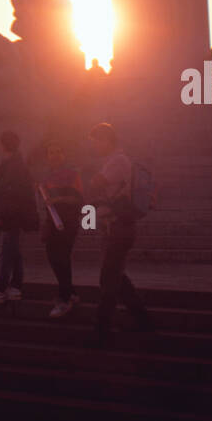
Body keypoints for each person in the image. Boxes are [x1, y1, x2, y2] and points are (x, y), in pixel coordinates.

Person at [87, 122, 154, 347]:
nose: (93, 147)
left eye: (95, 142)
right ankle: (143, 319)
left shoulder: (117, 160)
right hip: (116, 227)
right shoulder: (116, 160)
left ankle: (101, 329)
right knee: (117, 276)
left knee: (108, 278)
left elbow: (95, 184)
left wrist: (91, 181)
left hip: (119, 228)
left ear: (106, 140)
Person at [0, 131, 38, 304]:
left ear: (3, 145)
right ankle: (16, 287)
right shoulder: (17, 165)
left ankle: (0, 289)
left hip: (10, 216)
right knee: (15, 252)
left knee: (6, 252)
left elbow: (6, 194)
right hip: (16, 215)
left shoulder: (12, 166)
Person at [36, 140, 84, 318]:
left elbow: (79, 199)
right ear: (47, 157)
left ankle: (64, 299)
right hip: (53, 222)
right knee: (52, 256)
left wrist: (58, 200)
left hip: (68, 223)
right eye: (51, 152)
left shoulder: (73, 174)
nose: (54, 155)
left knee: (62, 258)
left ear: (64, 155)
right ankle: (70, 292)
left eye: (58, 151)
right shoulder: (47, 178)